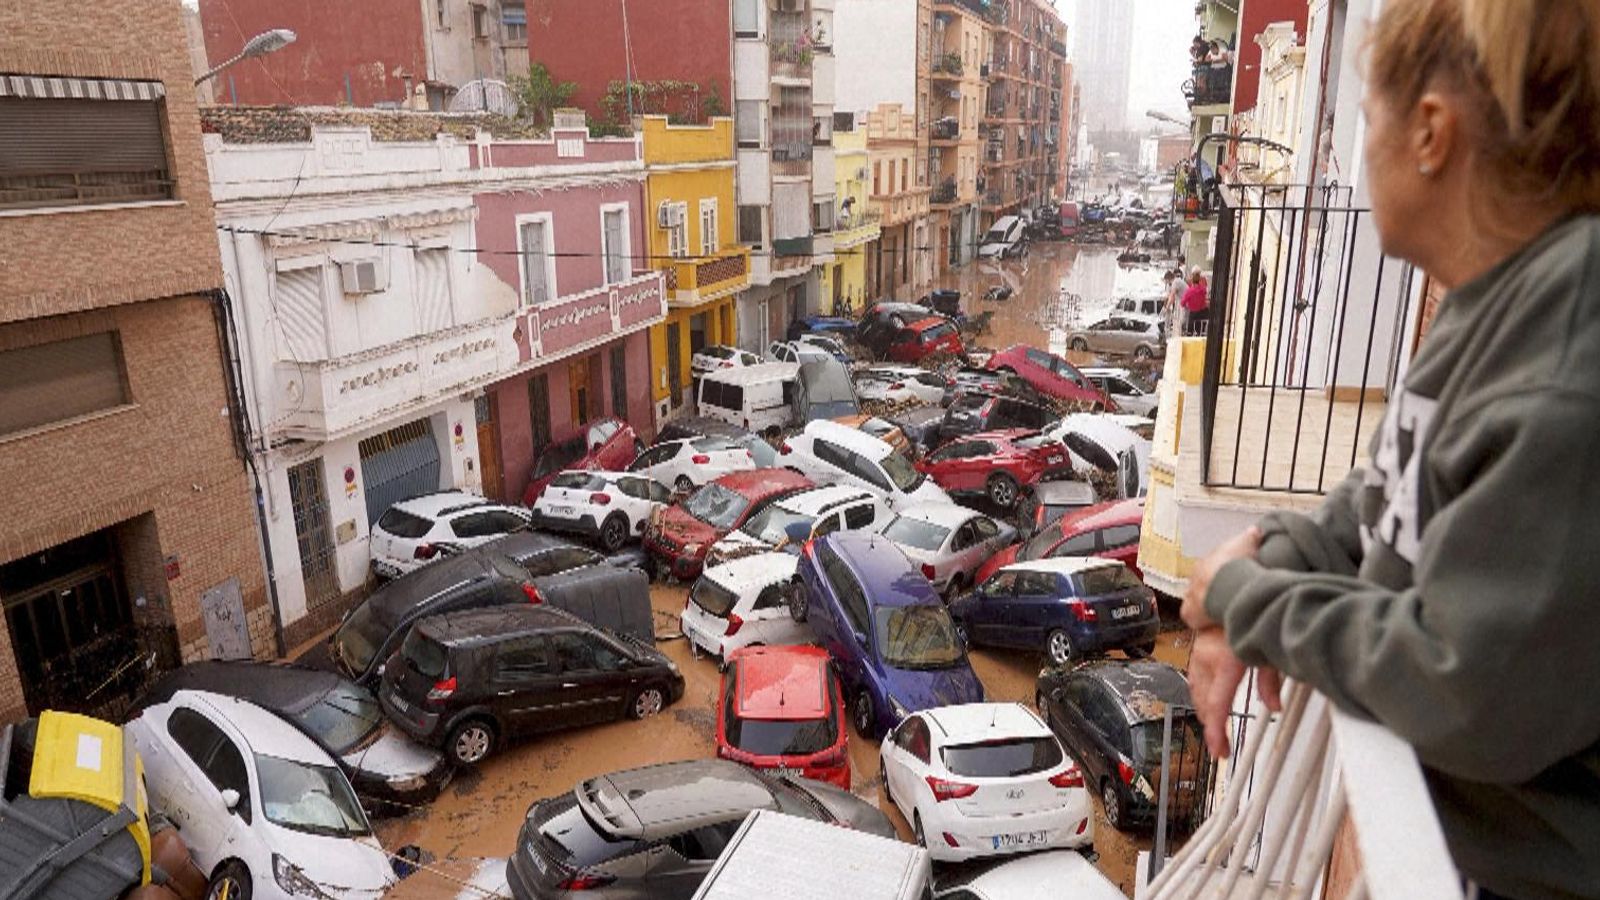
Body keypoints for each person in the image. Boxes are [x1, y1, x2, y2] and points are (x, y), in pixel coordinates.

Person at [1179, 2, 1600, 898]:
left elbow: (1464, 688)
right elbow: (1378, 496)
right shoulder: (1490, 302)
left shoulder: (1567, 360)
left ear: (1430, 135)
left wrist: (1246, 599)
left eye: (1367, 117)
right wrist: (1251, 583)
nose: (1357, 148)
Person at [1180, 267, 1208, 335]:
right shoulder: (1203, 289)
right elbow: (1205, 294)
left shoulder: (1189, 291)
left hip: (1193, 314)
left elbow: (1182, 303)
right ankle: (1201, 333)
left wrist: (1187, 304)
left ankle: (1190, 333)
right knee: (1200, 328)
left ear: (1192, 280)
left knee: (1190, 328)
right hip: (1202, 313)